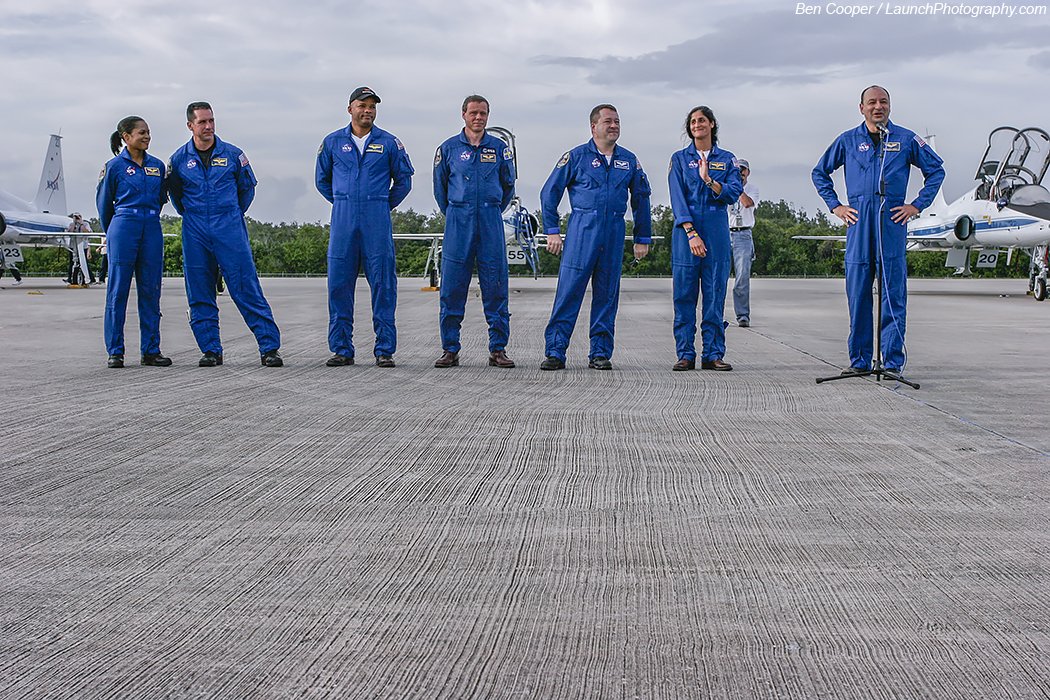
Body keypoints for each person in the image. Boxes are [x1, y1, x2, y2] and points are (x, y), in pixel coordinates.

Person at [812, 86, 945, 377]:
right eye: (871, 102)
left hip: (891, 223)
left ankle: (892, 362)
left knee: (892, 295)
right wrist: (836, 206)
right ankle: (860, 361)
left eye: (883, 102)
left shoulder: (906, 139)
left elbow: (936, 171)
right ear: (861, 107)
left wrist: (916, 205)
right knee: (858, 295)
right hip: (859, 224)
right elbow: (819, 172)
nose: (878, 107)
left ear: (890, 106)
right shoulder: (848, 140)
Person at [168, 101, 283, 368]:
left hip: (229, 226)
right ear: (190, 126)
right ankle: (210, 349)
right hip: (195, 228)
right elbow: (176, 196)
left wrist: (230, 214)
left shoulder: (233, 155)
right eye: (202, 122)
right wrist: (195, 215)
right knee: (199, 290)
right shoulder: (178, 160)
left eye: (211, 121)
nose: (208, 127)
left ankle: (269, 347)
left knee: (246, 286)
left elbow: (247, 190)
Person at [538, 104, 651, 371]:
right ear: (593, 127)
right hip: (581, 232)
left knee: (607, 295)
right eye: (608, 121)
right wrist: (552, 230)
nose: (614, 126)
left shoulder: (629, 160)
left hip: (613, 232)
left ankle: (599, 352)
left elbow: (641, 199)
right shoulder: (576, 157)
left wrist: (642, 236)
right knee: (568, 293)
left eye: (617, 122)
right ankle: (555, 351)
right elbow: (549, 193)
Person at [316, 86, 414, 368]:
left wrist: (382, 203)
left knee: (383, 285)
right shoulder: (333, 142)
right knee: (338, 286)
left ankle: (384, 349)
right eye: (362, 105)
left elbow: (404, 180)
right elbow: (322, 180)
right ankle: (341, 349)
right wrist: (343, 200)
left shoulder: (389, 143)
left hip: (376, 221)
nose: (367, 110)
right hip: (343, 221)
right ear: (350, 109)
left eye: (372, 106)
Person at [431, 95, 516, 369]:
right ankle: (450, 349)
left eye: (483, 113)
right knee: (452, 287)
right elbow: (439, 189)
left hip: (490, 219)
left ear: (488, 116)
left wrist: (490, 208)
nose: (478, 118)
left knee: (496, 286)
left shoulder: (500, 148)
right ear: (463, 114)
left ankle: (498, 349)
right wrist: (458, 210)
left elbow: (508, 186)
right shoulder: (449, 149)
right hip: (458, 220)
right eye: (473, 113)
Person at [668, 106, 743, 371]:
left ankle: (713, 353)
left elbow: (734, 192)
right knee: (685, 296)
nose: (697, 124)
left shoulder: (727, 158)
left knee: (714, 294)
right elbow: (677, 198)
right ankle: (685, 352)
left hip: (716, 230)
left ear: (712, 124)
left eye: (702, 120)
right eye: (692, 121)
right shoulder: (679, 159)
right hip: (686, 233)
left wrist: (710, 181)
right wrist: (690, 232)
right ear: (689, 128)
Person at [95, 116, 171, 369]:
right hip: (123, 225)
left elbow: (161, 198)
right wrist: (114, 232)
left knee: (151, 290)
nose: (147, 136)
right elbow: (104, 205)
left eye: (149, 132)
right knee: (118, 291)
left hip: (151, 226)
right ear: (126, 137)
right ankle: (115, 351)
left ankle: (151, 350)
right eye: (141, 133)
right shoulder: (114, 167)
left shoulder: (158, 166)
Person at [728, 158, 758, 327]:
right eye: (737, 170)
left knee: (742, 277)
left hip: (743, 235)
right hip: (726, 232)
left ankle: (742, 315)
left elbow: (747, 203)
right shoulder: (726, 186)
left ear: (747, 172)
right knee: (718, 275)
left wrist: (737, 187)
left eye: (743, 170)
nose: (740, 173)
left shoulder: (752, 189)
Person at [65, 213, 95, 285]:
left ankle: (89, 278)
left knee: (84, 262)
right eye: (75, 217)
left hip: (82, 246)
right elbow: (69, 233)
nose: (76, 218)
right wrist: (74, 224)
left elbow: (88, 232)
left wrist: (81, 224)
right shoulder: (71, 224)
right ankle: (70, 278)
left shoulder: (85, 224)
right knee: (72, 262)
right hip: (73, 245)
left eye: (78, 217)